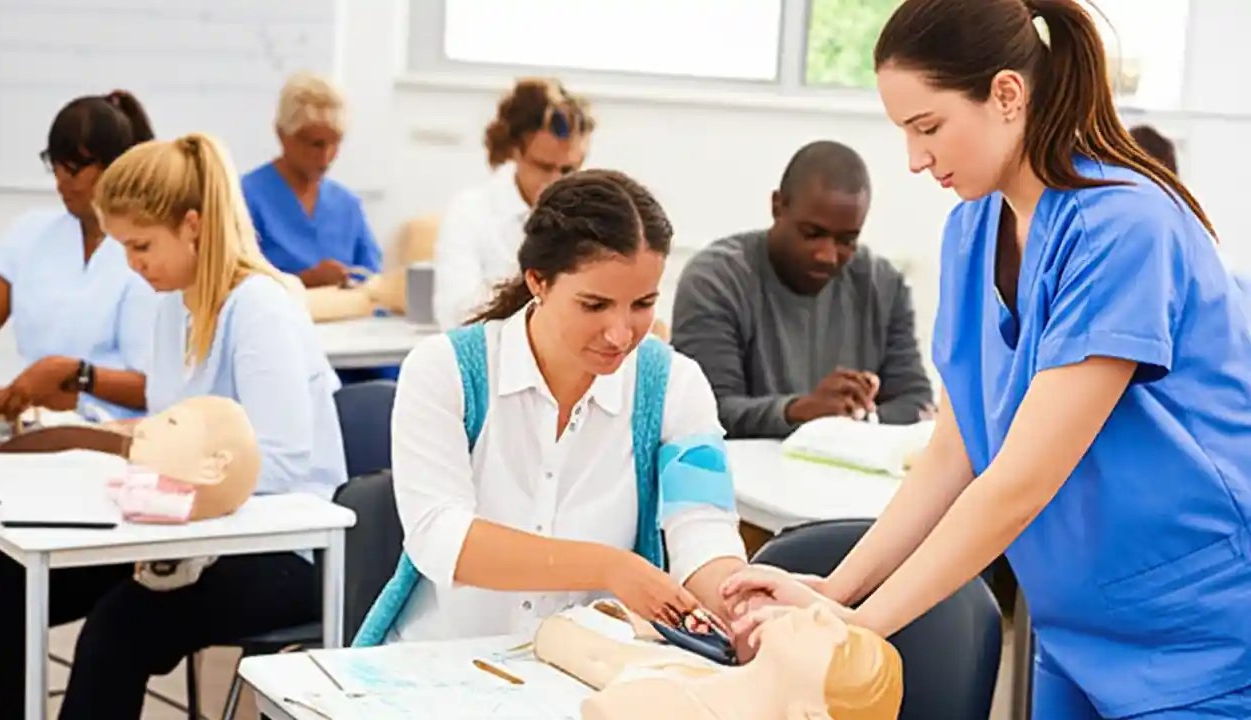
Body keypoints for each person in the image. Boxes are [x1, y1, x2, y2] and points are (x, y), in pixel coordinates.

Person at [721, 1, 1251, 718]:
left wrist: (860, 627)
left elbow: (1019, 481)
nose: (914, 159)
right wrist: (837, 593)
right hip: (1075, 632)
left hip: (1197, 638)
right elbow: (957, 451)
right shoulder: (973, 229)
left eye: (927, 127)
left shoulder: (1126, 227)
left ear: (1006, 94)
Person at [0, 132, 348, 719]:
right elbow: (170, 431)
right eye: (123, 247)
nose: (132, 264)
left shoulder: (260, 309)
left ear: (193, 225)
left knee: (119, 627)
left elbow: (284, 467)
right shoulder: (174, 303)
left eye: (141, 245)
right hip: (184, 536)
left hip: (281, 546)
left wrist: (163, 488)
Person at [352, 170, 747, 648]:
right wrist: (608, 566)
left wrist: (740, 599)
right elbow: (441, 540)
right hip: (437, 664)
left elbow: (702, 525)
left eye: (642, 304)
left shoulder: (675, 386)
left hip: (583, 671)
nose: (620, 333)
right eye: (594, 305)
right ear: (537, 280)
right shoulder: (444, 370)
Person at [672, 141, 934, 439]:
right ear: (777, 206)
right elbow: (704, 412)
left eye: (847, 240)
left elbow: (918, 405)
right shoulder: (716, 280)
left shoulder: (883, 285)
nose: (828, 255)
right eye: (812, 234)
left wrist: (849, 416)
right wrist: (799, 411)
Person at [0, 90, 158, 421]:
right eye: (54, 167)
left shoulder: (151, 247)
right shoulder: (29, 235)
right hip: (38, 431)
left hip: (119, 436)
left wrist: (77, 376)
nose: (61, 182)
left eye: (73, 170)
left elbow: (160, 387)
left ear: (114, 166)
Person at [242, 71, 392, 383]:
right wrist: (305, 281)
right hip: (281, 348)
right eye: (315, 144)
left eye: (335, 144)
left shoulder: (346, 204)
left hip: (354, 347)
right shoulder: (246, 198)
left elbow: (373, 281)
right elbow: (234, 283)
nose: (326, 156)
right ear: (283, 135)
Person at [432, 78, 594, 329]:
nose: (555, 182)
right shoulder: (470, 211)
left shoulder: (593, 212)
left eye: (567, 170)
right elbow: (455, 314)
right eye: (543, 166)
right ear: (515, 150)